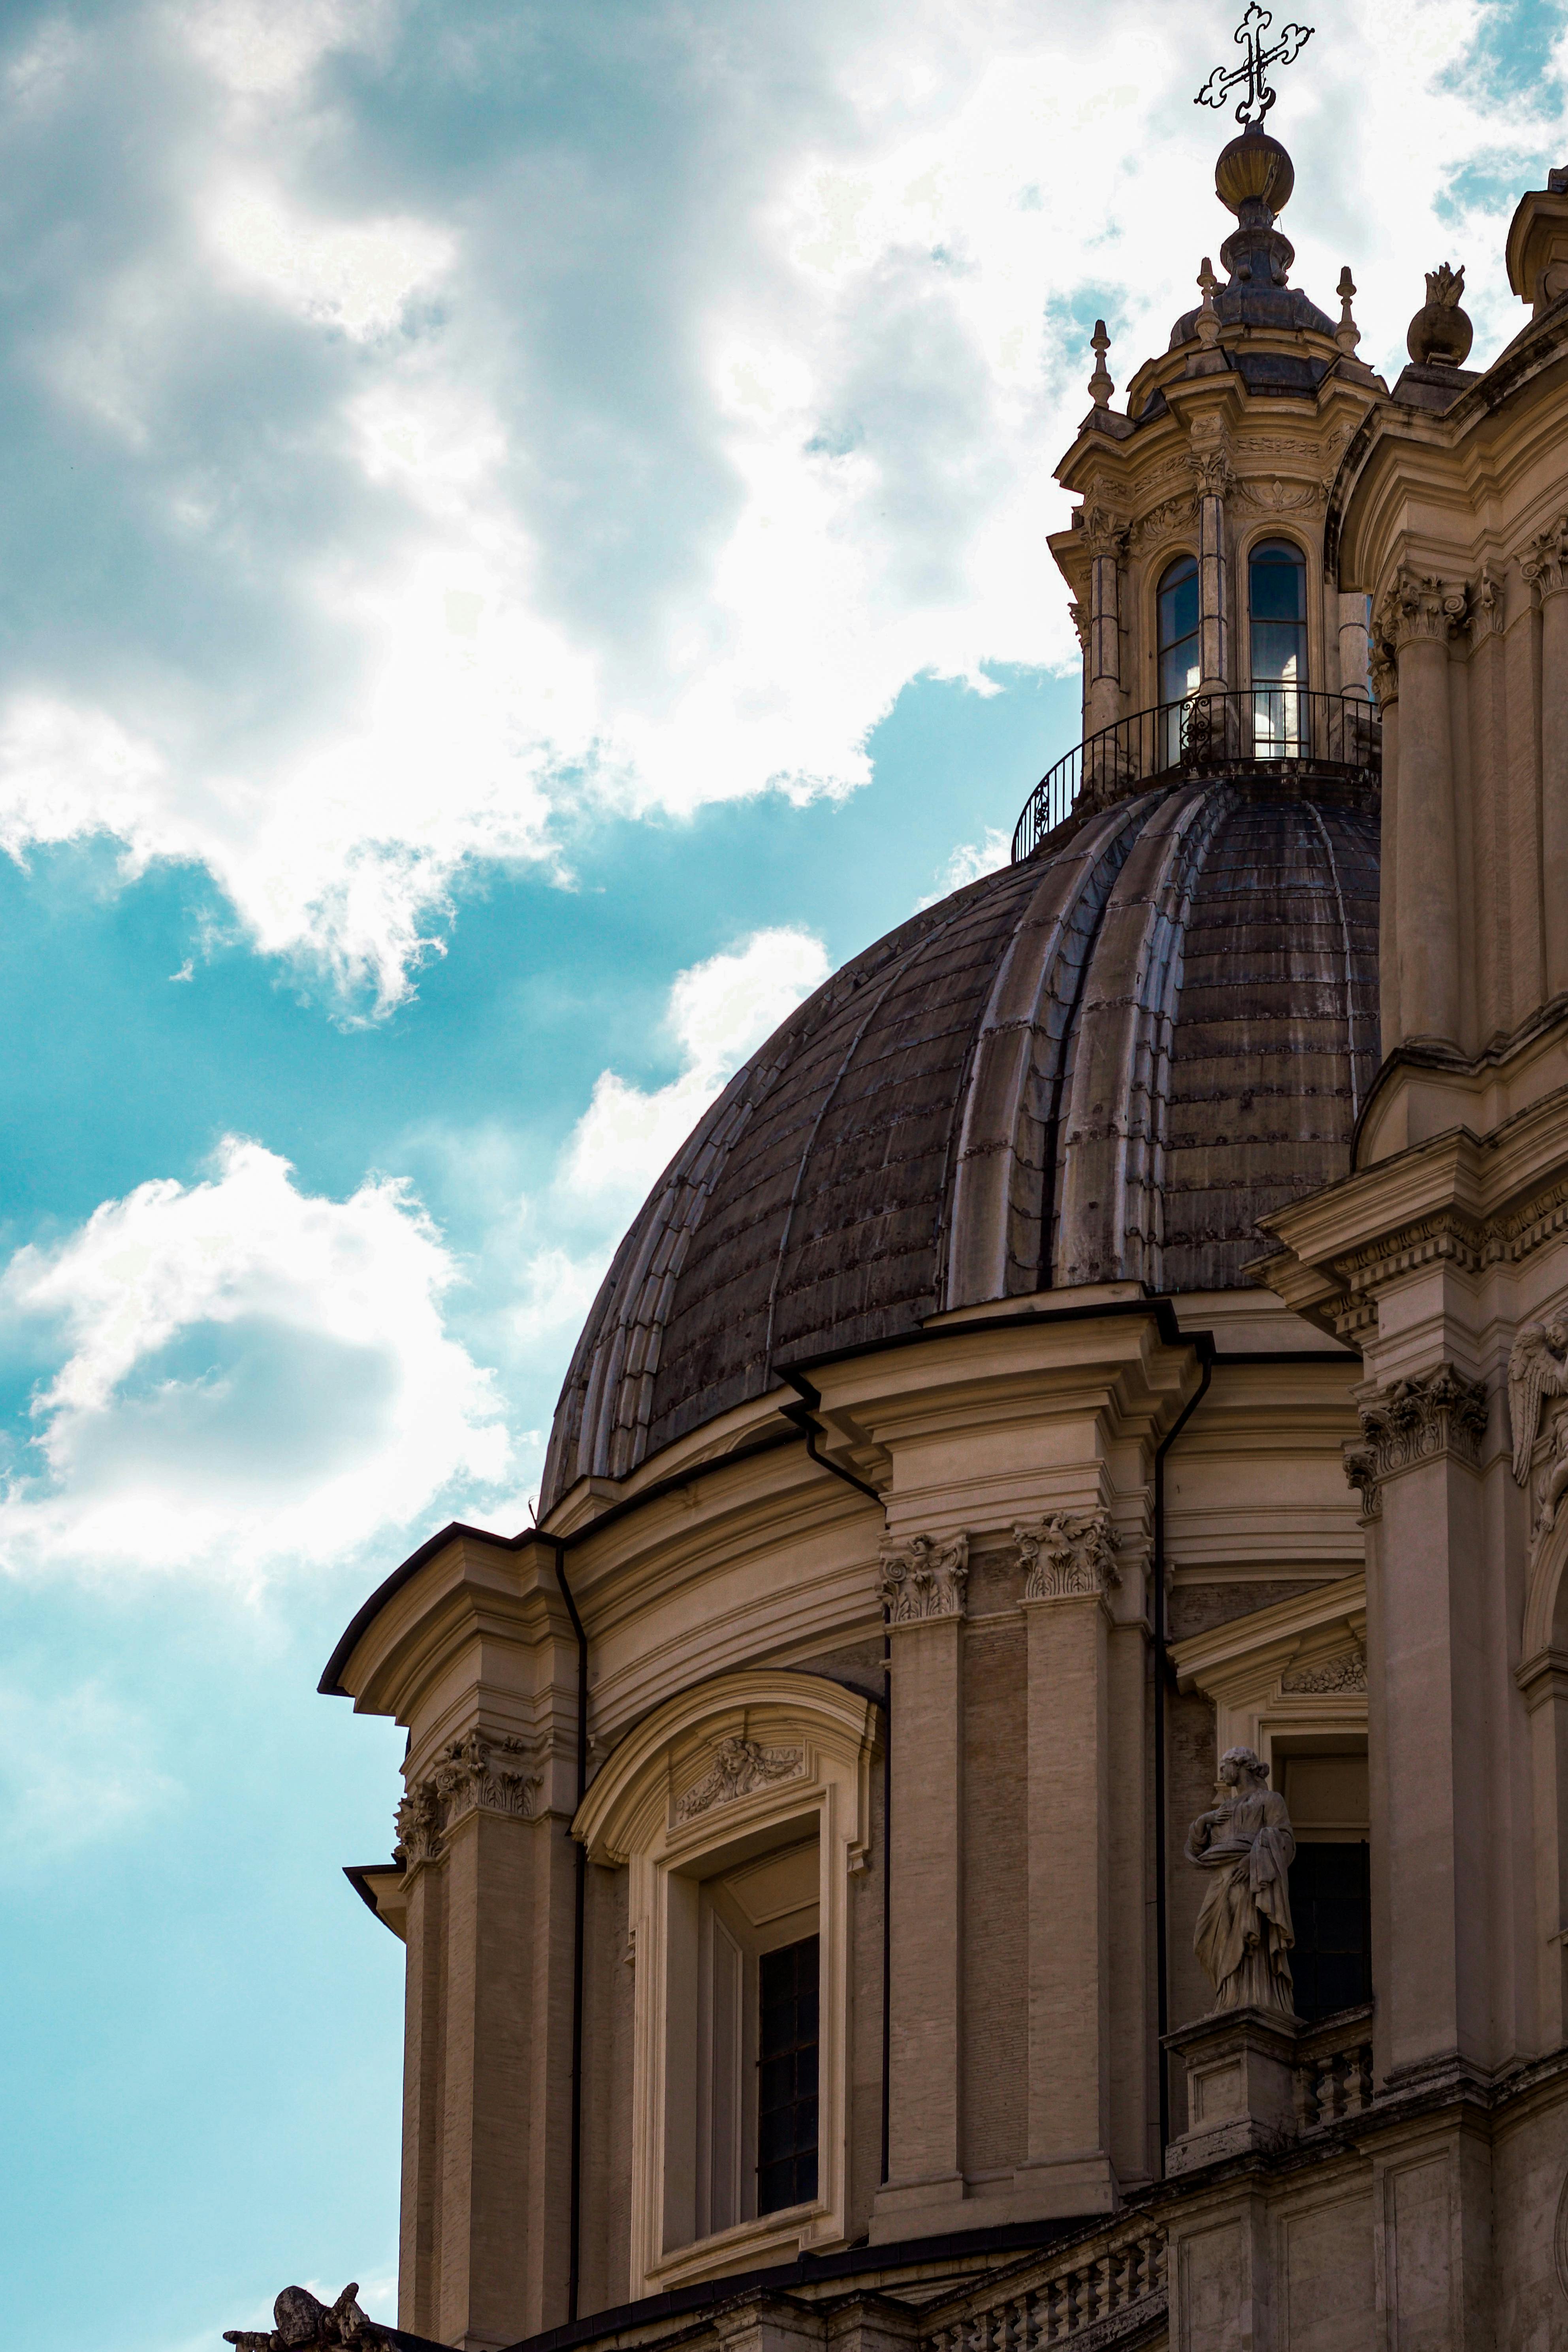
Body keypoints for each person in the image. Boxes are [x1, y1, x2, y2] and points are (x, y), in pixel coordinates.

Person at [1185, 1744, 1297, 2017]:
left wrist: (1254, 1859)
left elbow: (1284, 1841)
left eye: (1225, 1765)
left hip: (1252, 1880)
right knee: (1206, 1940)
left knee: (1250, 1940)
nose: (1221, 1771)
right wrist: (1203, 1821)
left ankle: (1253, 1997)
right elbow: (1198, 1852)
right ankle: (1227, 1997)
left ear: (1240, 1765)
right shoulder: (1222, 1810)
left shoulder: (1269, 1800)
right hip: (1221, 1883)